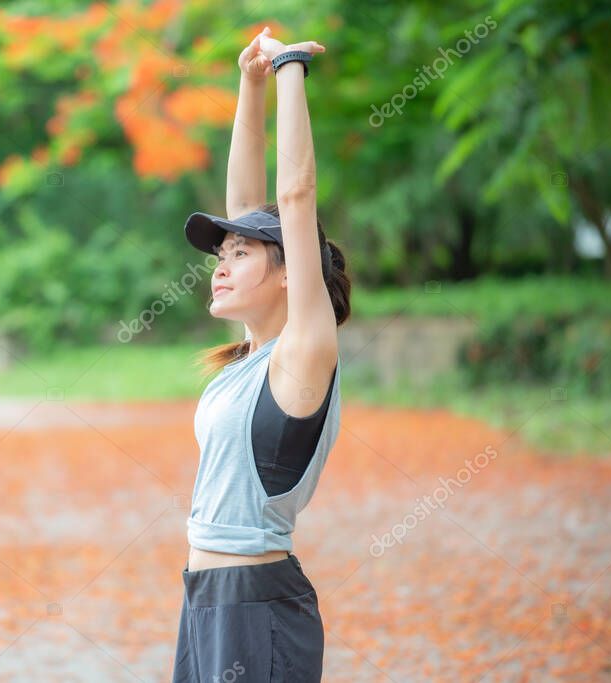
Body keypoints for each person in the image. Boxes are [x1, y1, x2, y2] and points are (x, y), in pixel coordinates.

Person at [171, 26, 351, 683]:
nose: (219, 267)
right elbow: (247, 207)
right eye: (220, 256)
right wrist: (248, 83)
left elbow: (293, 199)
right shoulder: (251, 357)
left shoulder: (302, 353)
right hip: (205, 600)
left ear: (288, 275)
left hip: (256, 609)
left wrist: (289, 68)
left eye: (239, 255)